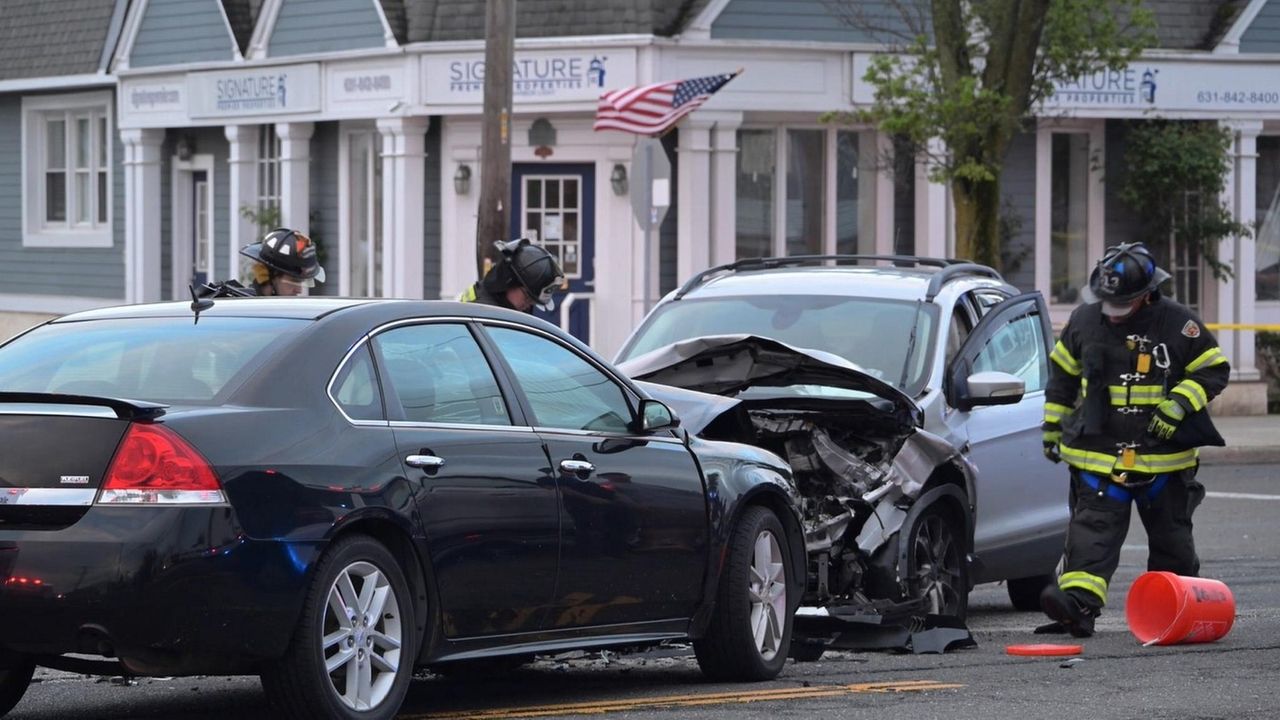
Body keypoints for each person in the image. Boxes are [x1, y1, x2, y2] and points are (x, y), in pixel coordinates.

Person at [1038, 242, 1230, 637]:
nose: (1113, 310)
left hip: (1163, 459)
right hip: (1098, 455)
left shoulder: (1179, 324)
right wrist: (1052, 430)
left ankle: (1176, 608)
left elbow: (1213, 370)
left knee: (1172, 540)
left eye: (1122, 302)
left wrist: (1178, 404)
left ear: (1146, 294)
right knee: (1090, 534)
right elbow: (1062, 379)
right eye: (1108, 301)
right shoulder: (1084, 321)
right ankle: (1076, 607)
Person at [459, 238, 564, 313]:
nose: (529, 305)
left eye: (533, 301)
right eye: (527, 297)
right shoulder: (486, 314)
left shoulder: (505, 307)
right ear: (509, 282)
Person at [239, 227, 326, 296]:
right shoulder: (243, 312)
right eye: (293, 281)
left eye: (300, 282)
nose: (299, 290)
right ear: (268, 278)